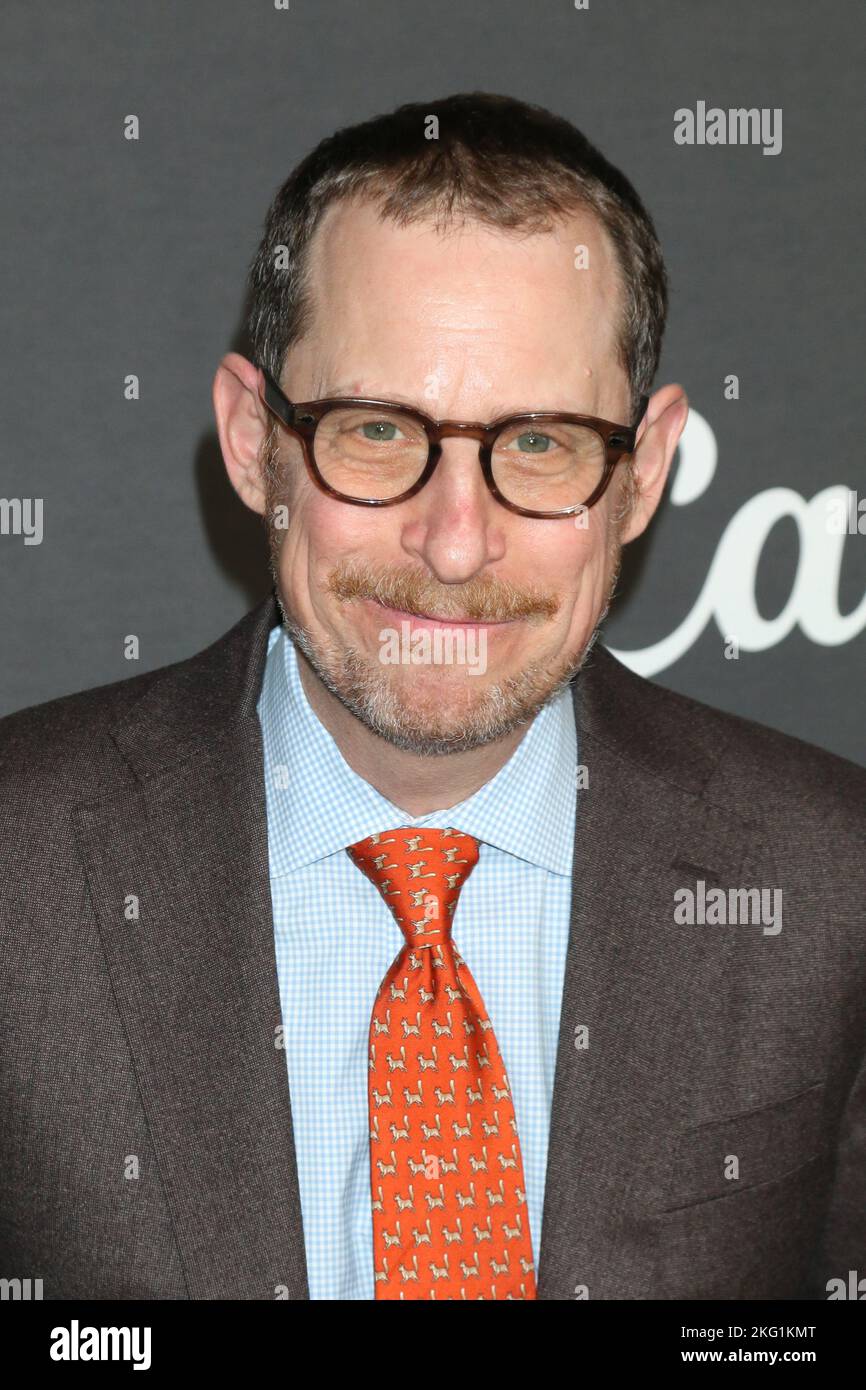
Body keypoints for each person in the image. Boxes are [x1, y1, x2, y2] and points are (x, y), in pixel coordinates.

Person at [1, 92, 863, 1302]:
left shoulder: (830, 886)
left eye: (540, 444)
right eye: (374, 431)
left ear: (642, 473)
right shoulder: (21, 869)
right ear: (251, 442)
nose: (454, 544)